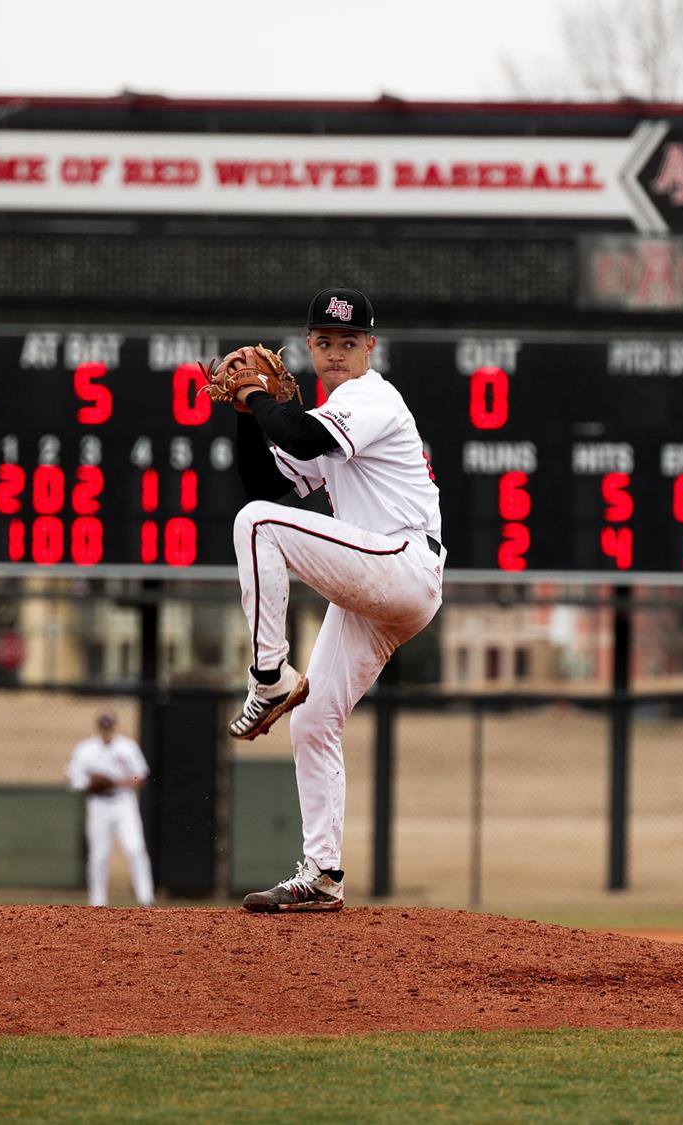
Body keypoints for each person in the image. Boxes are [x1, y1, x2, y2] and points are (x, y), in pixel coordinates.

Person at [220, 286, 444, 913]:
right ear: (310, 347)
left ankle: (267, 676)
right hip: (379, 586)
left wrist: (258, 395)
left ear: (369, 346)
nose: (336, 353)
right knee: (314, 721)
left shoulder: (370, 398)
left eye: (349, 342)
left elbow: (303, 436)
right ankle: (322, 874)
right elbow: (264, 479)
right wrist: (245, 412)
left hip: (402, 563)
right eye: (324, 343)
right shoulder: (335, 409)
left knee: (259, 526)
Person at [64, 711, 154, 907]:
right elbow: (72, 777)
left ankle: (146, 898)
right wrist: (90, 782)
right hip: (98, 804)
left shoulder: (127, 747)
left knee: (135, 848)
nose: (106, 731)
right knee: (98, 854)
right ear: (99, 728)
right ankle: (97, 902)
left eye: (109, 727)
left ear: (114, 727)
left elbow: (141, 776)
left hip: (123, 802)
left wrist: (115, 782)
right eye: (103, 727)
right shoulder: (86, 749)